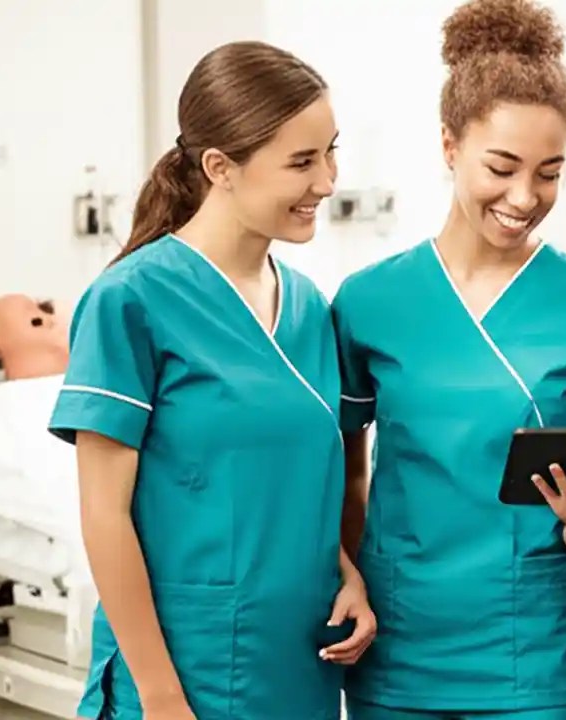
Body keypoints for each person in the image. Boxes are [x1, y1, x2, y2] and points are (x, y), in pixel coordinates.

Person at [332, 1, 566, 718]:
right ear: (450, 147)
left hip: (531, 656)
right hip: (396, 645)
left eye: (549, 173)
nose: (525, 197)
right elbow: (345, 464)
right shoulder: (369, 302)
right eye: (502, 167)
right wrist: (360, 570)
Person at [46, 41, 376, 720]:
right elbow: (103, 515)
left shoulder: (312, 308)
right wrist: (162, 697)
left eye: (330, 152)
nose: (327, 181)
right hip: (179, 675)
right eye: (301, 162)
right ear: (220, 168)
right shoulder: (131, 301)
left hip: (297, 670)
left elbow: (315, 484)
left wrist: (350, 574)